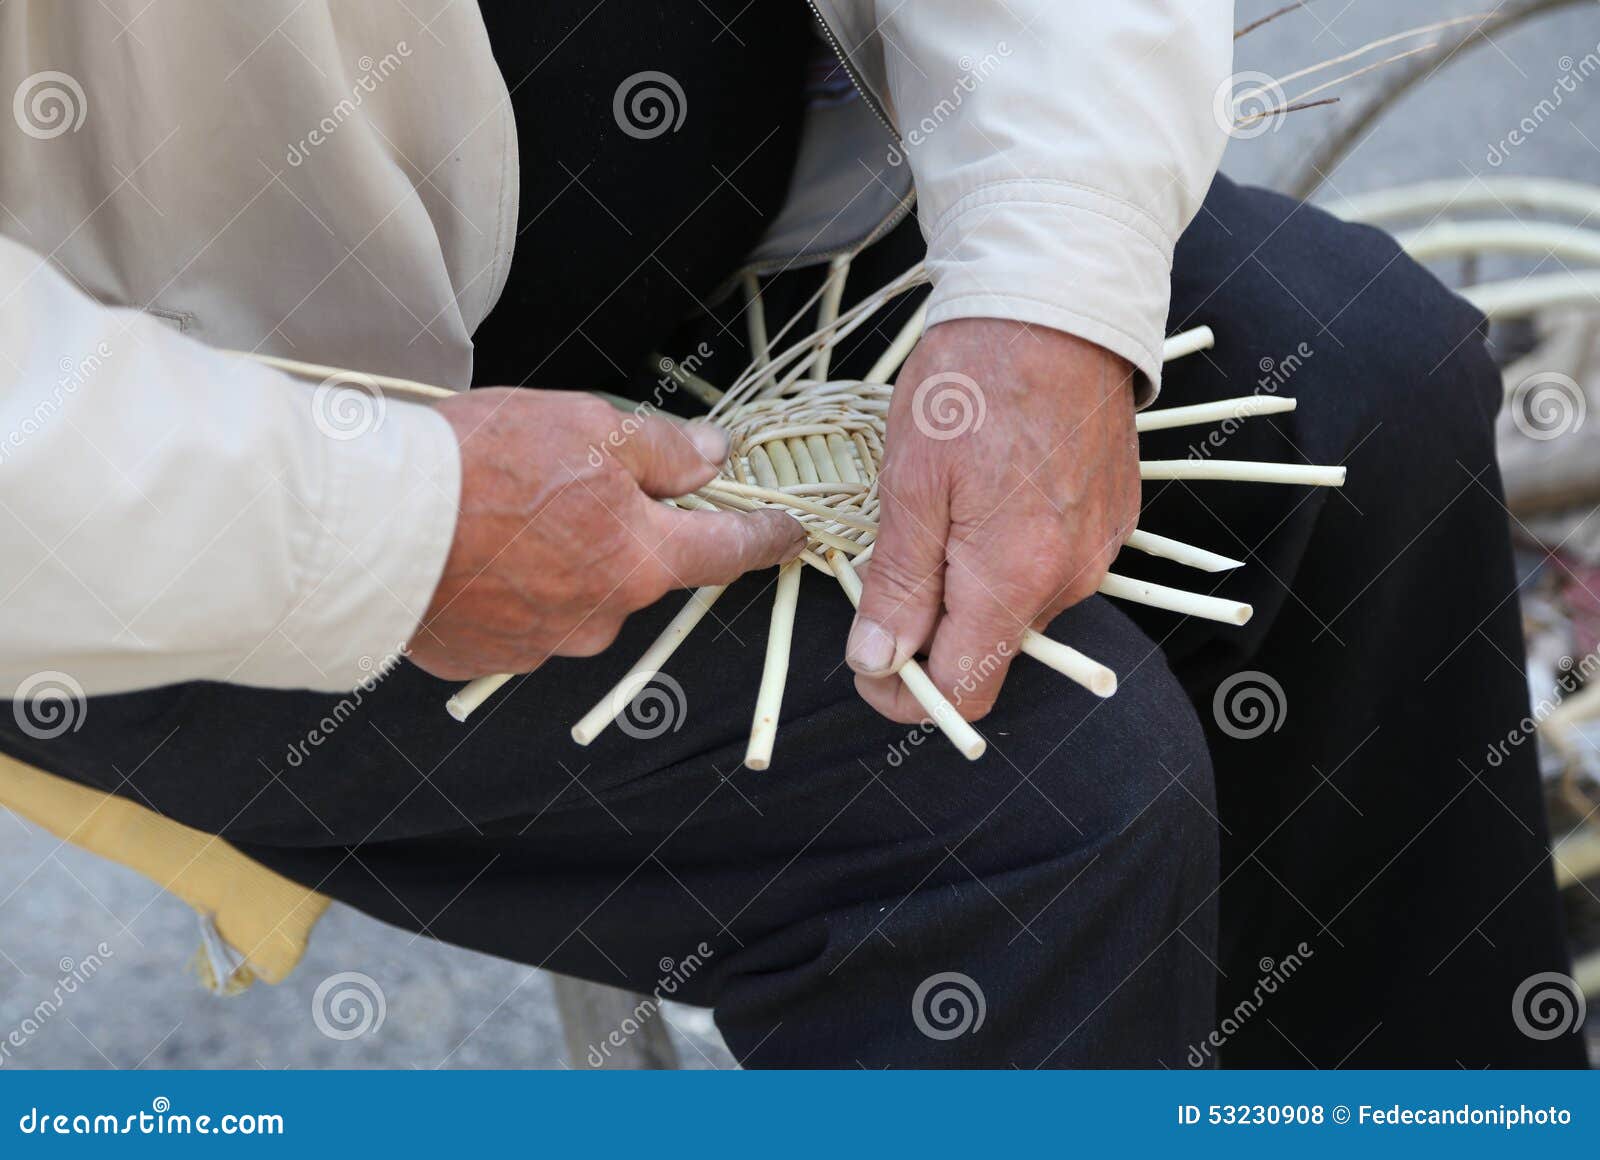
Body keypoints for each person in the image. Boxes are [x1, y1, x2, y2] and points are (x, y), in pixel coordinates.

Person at [0, 1, 1582, 1067]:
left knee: (1364, 381)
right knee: (1025, 805)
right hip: (175, 471)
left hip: (778, 227)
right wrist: (382, 520)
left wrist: (1053, 288)